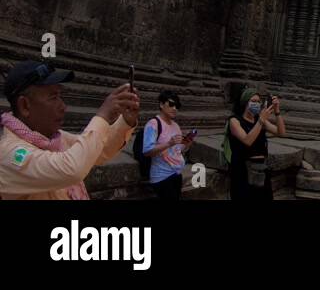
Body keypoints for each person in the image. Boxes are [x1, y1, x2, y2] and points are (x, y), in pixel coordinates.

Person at [0, 60, 139, 199]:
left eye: (60, 96)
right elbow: (72, 169)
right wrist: (102, 116)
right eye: (53, 97)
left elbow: (100, 148)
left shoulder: (55, 139)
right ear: (25, 106)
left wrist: (126, 121)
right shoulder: (10, 154)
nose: (63, 106)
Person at [227, 87, 285, 200]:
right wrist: (261, 121)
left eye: (259, 101)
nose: (257, 104)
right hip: (242, 170)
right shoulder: (234, 121)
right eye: (253, 101)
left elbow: (281, 132)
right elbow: (247, 141)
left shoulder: (259, 119)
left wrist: (277, 111)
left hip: (261, 168)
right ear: (245, 103)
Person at [142, 90, 195, 200]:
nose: (174, 108)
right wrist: (169, 143)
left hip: (176, 173)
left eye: (177, 106)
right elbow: (147, 151)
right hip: (161, 176)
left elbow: (178, 150)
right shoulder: (153, 124)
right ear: (161, 104)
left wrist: (187, 144)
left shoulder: (176, 125)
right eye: (171, 104)